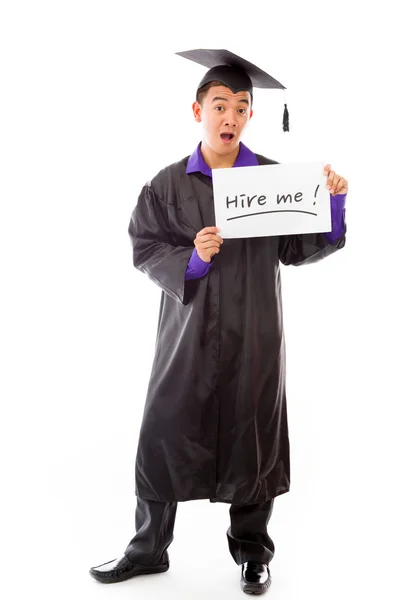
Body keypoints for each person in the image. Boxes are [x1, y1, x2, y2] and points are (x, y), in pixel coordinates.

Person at [89, 49, 348, 595]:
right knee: (163, 432)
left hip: (254, 335)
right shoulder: (167, 184)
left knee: (252, 439)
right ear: (197, 110)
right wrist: (194, 259)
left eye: (241, 107)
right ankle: (147, 550)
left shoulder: (275, 182)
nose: (230, 117)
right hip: (185, 340)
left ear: (251, 116)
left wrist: (335, 204)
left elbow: (300, 247)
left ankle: (254, 555)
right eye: (220, 105)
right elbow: (144, 245)